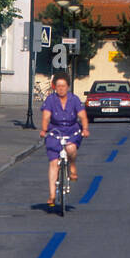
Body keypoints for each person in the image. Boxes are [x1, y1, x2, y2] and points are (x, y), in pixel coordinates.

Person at [40, 72, 89, 208]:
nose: (61, 88)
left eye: (64, 86)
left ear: (68, 86)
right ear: (55, 87)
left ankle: (72, 165)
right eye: (58, 86)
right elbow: (46, 116)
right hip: (55, 132)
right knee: (53, 163)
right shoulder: (50, 100)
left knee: (71, 148)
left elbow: (83, 116)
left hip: (71, 131)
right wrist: (44, 130)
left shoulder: (74, 100)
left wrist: (85, 129)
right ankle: (52, 195)